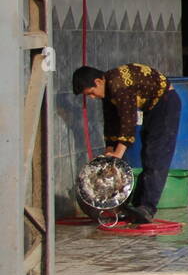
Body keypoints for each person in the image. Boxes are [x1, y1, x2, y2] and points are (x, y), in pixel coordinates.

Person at [72, 63, 180, 224]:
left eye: (91, 93)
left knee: (155, 157)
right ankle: (136, 206)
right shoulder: (108, 89)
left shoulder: (118, 85)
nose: (93, 97)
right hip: (152, 108)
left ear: (98, 82)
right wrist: (109, 149)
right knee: (147, 155)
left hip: (165, 102)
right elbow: (111, 121)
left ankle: (147, 208)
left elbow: (128, 121)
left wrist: (118, 153)